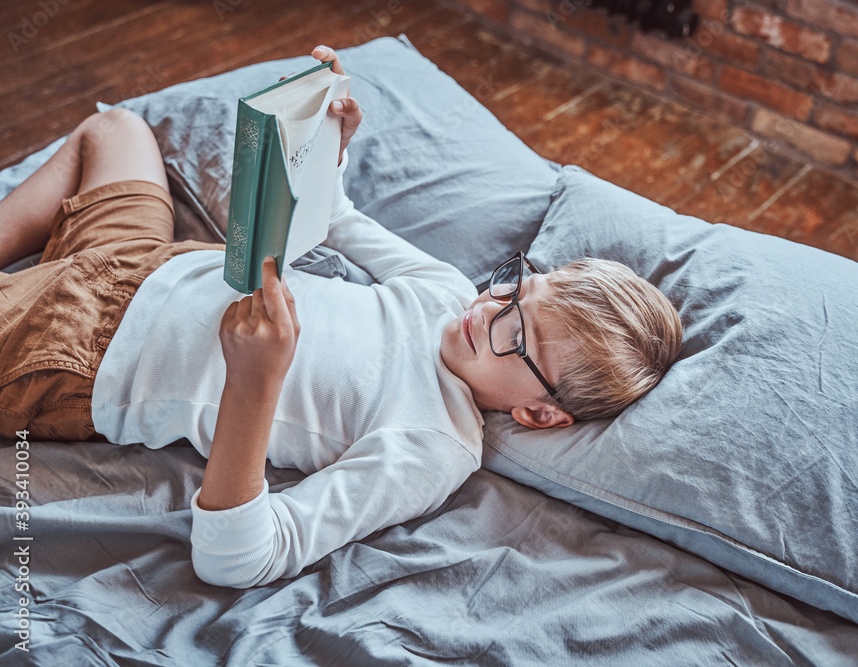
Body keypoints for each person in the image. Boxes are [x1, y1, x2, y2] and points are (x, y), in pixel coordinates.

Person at [0, 46, 684, 589]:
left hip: (88, 353)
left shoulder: (434, 444)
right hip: (148, 259)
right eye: (517, 287)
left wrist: (255, 383)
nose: (490, 308)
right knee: (116, 129)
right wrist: (327, 142)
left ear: (539, 412)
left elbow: (242, 558)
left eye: (518, 333)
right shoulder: (446, 290)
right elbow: (334, 218)